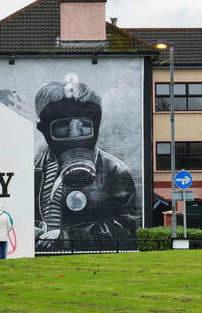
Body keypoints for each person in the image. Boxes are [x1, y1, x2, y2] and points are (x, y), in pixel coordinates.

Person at [32, 80, 140, 251]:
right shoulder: (31, 171)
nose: (75, 132)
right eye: (63, 125)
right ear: (43, 129)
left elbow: (126, 229)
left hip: (88, 260)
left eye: (84, 125)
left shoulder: (115, 172)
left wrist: (65, 237)